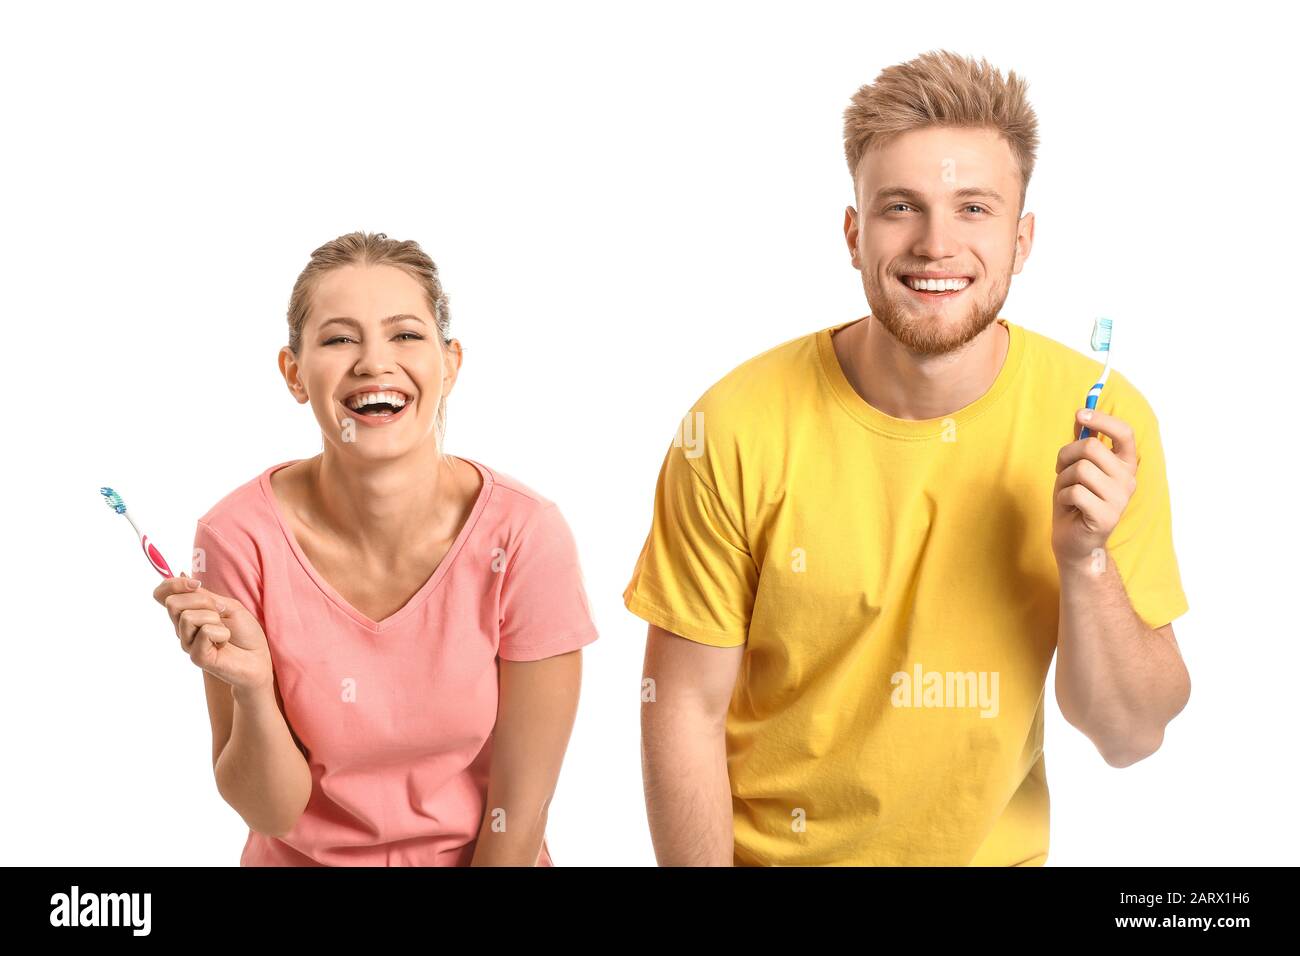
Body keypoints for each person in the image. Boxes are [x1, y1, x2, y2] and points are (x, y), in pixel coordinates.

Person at [623, 50, 1190, 866]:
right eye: (900, 207)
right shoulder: (733, 428)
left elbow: (1131, 734)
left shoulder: (1099, 425)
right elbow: (682, 709)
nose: (936, 244)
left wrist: (1087, 561)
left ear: (1021, 239)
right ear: (854, 234)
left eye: (974, 208)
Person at [155, 231, 598, 866]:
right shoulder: (236, 537)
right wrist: (252, 689)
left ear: (450, 364)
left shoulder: (524, 535)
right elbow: (270, 811)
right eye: (339, 339)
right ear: (294, 374)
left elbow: (520, 813)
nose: (373, 363)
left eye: (406, 335)